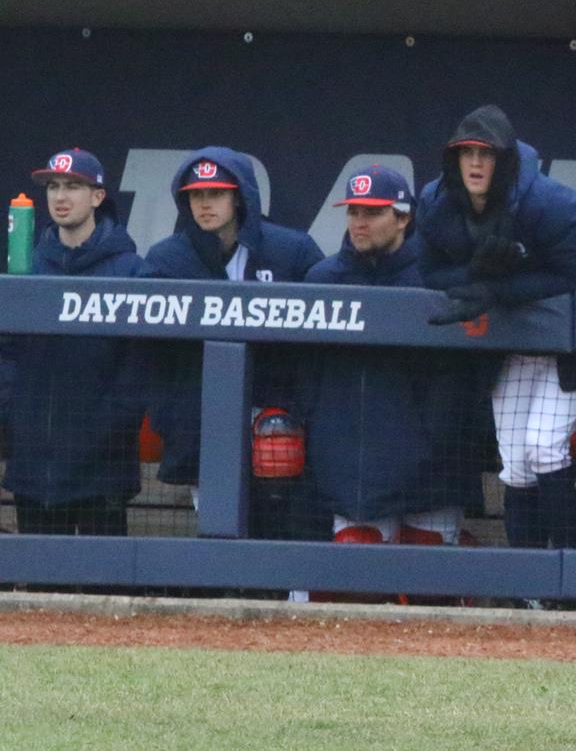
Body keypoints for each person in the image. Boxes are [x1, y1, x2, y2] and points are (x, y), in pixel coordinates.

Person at [417, 105, 576, 553]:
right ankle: (527, 588)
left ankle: (567, 584)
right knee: (516, 464)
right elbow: (427, 274)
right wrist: (477, 277)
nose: (474, 163)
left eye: (485, 154)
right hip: (513, 346)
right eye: (465, 153)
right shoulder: (437, 202)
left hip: (571, 347)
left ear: (504, 160)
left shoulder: (552, 203)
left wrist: (501, 288)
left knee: (544, 448)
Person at [139, 147, 323, 537]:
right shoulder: (165, 260)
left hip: (276, 419)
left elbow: (323, 342)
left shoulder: (290, 250)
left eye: (216, 194)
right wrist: (170, 414)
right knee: (218, 530)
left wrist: (300, 407)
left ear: (239, 197)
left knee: (281, 530)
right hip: (201, 418)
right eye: (196, 195)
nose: (204, 204)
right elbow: (149, 353)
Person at [302, 167, 477, 547]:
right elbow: (306, 376)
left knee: (433, 584)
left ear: (403, 217)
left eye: (372, 213)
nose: (358, 223)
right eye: (353, 212)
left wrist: (437, 434)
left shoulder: (438, 277)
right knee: (356, 580)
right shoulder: (322, 280)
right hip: (353, 465)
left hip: (432, 462)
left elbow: (465, 375)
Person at [1, 149, 145, 537]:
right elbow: (8, 351)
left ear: (97, 196)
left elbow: (139, 366)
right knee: (42, 589)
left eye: (73, 186)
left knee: (108, 590)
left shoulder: (130, 269)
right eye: (54, 186)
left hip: (102, 466)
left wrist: (110, 423)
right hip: (35, 464)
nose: (60, 197)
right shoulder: (26, 263)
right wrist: (14, 410)